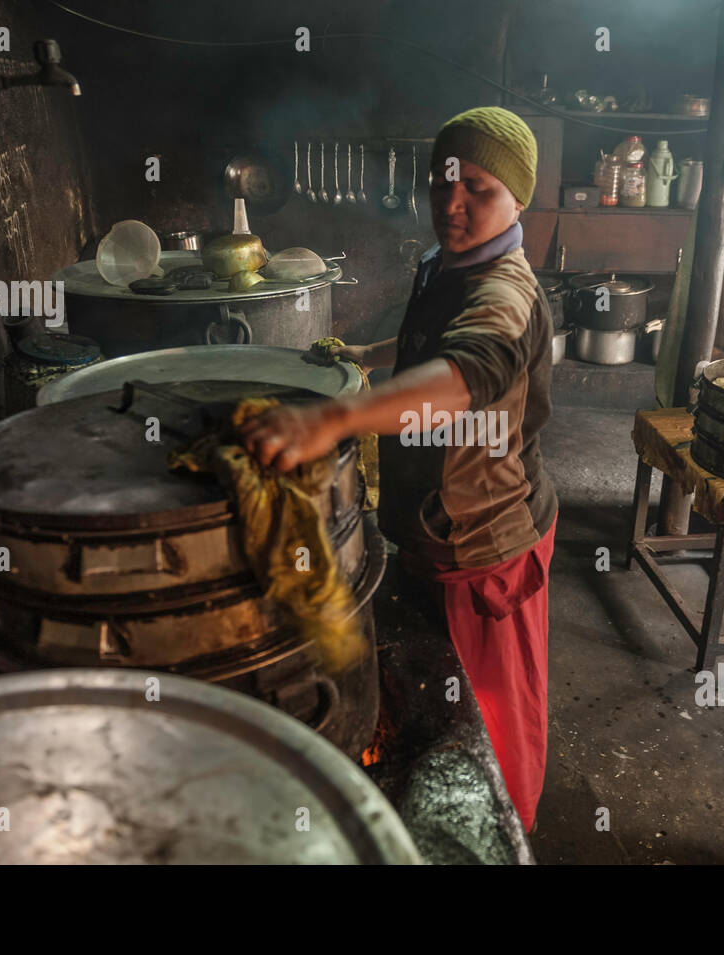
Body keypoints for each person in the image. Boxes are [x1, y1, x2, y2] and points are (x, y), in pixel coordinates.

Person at [239, 107, 557, 831]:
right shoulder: (440, 263)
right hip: (430, 529)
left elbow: (467, 369)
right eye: (444, 180)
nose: (453, 203)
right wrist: (366, 359)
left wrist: (333, 418)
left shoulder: (506, 292)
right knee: (441, 699)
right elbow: (425, 347)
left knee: (489, 725)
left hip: (484, 545)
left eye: (478, 188)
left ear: (517, 199)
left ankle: (503, 836)